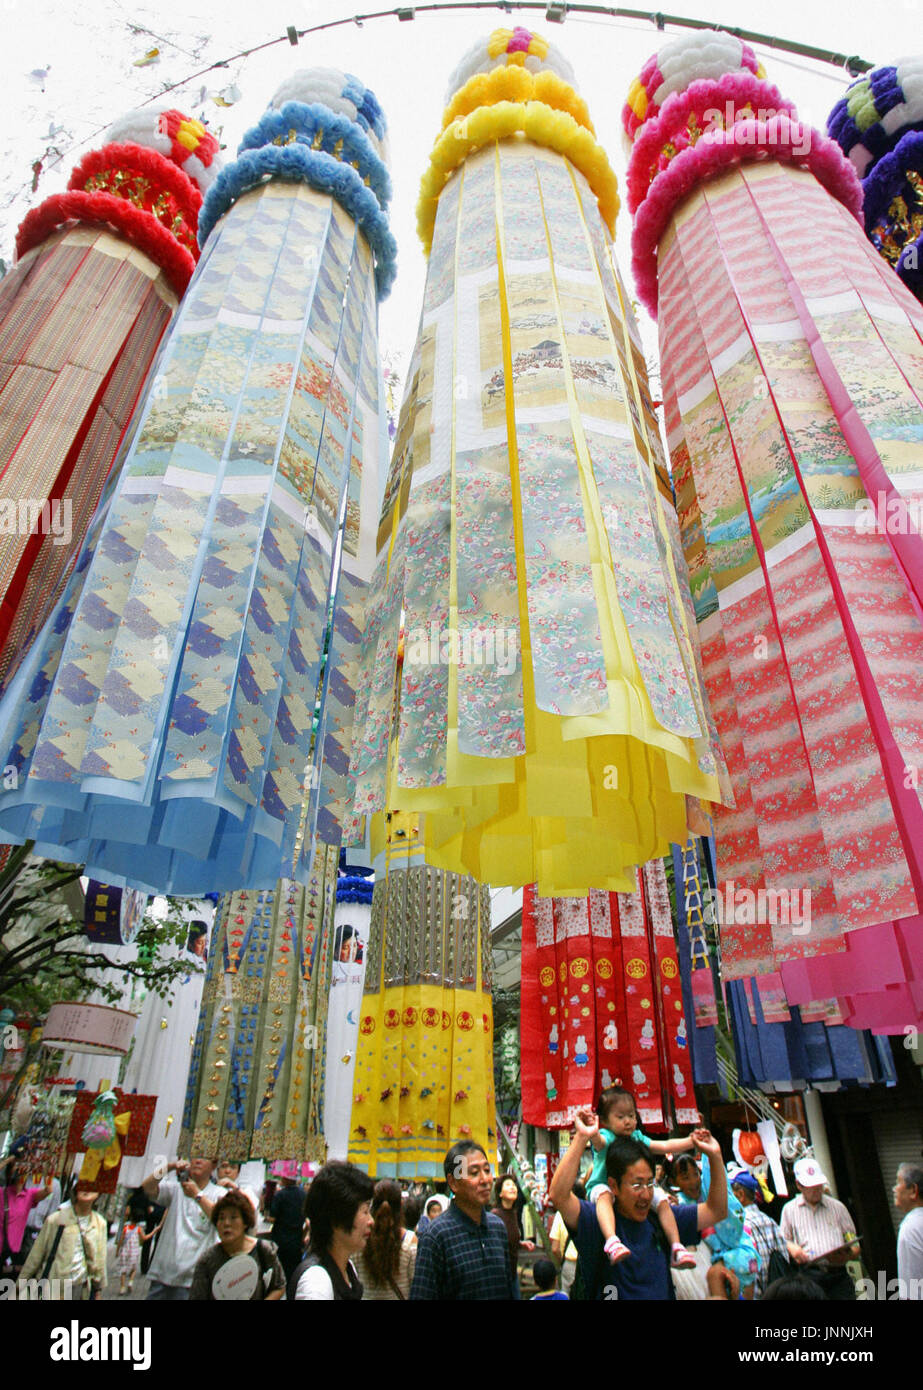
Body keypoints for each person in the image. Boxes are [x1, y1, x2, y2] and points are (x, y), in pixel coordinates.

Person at [549, 1109, 730, 1301]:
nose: (645, 1194)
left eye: (650, 1183)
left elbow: (716, 1211)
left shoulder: (663, 1219)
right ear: (613, 1186)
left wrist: (716, 1157)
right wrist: (582, 1137)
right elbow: (559, 1195)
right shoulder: (597, 1221)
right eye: (636, 1185)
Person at [587, 1086, 697, 1268]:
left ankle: (677, 1247)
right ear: (605, 1121)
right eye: (620, 1117)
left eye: (631, 1115)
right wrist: (591, 1131)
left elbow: (664, 1145)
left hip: (634, 1189)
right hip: (602, 1185)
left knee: (662, 1200)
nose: (628, 1121)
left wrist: (691, 1141)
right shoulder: (606, 1136)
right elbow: (598, 1141)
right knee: (604, 1196)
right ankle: (612, 1241)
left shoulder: (637, 1137)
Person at [410, 1140, 520, 1300]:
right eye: (474, 1173)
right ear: (453, 1182)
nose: (485, 1180)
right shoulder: (436, 1236)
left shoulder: (498, 1228)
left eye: (487, 1170)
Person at [290, 1161, 374, 1300]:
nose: (371, 1221)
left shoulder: (347, 1267)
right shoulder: (316, 1284)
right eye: (365, 1211)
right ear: (337, 1217)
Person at [141, 1157, 223, 1300]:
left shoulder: (219, 1193)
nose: (198, 1160)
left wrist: (198, 1195)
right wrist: (169, 1167)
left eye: (205, 1157)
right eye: (196, 1156)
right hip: (163, 1273)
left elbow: (220, 1220)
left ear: (214, 1165)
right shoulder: (176, 1189)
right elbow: (147, 1187)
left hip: (192, 1278)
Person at [779, 1157, 860, 1300]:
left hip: (838, 1274)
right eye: (811, 1187)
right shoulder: (789, 1210)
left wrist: (848, 1255)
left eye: (819, 1186)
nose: (816, 1190)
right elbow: (782, 1241)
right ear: (799, 1185)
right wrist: (792, 1248)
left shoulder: (838, 1208)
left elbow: (853, 1242)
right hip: (809, 1275)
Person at [18, 1179, 107, 1299]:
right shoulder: (56, 1219)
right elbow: (36, 1255)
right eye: (83, 1185)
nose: (87, 1189)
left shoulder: (99, 1223)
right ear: (75, 1191)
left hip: (81, 1288)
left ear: (99, 1194)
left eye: (93, 1187)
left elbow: (100, 1259)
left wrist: (98, 1290)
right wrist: (20, 1285)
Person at [189, 1189, 285, 1300]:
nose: (226, 1223)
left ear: (245, 1222)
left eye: (233, 1217)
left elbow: (279, 1287)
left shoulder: (263, 1250)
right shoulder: (208, 1259)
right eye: (221, 1218)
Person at [353, 1178, 416, 1299]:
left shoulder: (360, 1238)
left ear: (372, 1205)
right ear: (400, 1206)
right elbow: (416, 1286)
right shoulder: (410, 1240)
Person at [731, 1170, 791, 1297]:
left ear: (740, 1195)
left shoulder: (741, 1225)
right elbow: (785, 1259)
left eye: (729, 1194)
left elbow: (750, 1276)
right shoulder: (770, 1221)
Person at [0, 1154, 53, 1277]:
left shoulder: (29, 1195)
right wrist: (8, 1161)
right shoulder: (2, 1193)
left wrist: (44, 1168)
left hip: (12, 1251)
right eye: (17, 1169)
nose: (20, 1172)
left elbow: (48, 1190)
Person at [491, 1173, 535, 1285]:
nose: (512, 1187)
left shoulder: (513, 1213)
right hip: (499, 1276)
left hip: (512, 1273)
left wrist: (521, 1244)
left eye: (513, 1185)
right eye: (507, 1185)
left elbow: (509, 1240)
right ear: (500, 1193)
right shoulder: (495, 1216)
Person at [269, 1173, 307, 1283]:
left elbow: (272, 1218)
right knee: (293, 1277)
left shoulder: (280, 1195)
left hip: (280, 1241)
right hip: (296, 1243)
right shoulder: (304, 1195)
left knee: (278, 1276)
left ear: (285, 1178)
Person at [894, 1161, 923, 1297]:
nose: (894, 1189)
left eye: (898, 1182)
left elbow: (912, 1288)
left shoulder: (910, 1229)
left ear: (913, 1191)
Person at [549, 1182, 583, 1296]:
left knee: (566, 1295)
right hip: (585, 1263)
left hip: (568, 1264)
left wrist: (561, 1261)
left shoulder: (560, 1215)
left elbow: (555, 1248)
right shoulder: (589, 1213)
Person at [215, 1159, 261, 1227]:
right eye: (224, 1166)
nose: (227, 1171)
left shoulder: (246, 1191)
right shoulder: (210, 1190)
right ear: (217, 1170)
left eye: (233, 1167)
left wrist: (234, 1188)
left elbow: (252, 1209)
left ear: (238, 1172)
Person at [116, 1207, 143, 1296]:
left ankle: (122, 1287)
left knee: (123, 1269)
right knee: (133, 1269)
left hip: (125, 1251)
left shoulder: (125, 1228)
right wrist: (154, 1231)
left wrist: (117, 1250)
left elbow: (121, 1240)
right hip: (134, 1251)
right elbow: (143, 1239)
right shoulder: (139, 1229)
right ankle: (130, 1282)